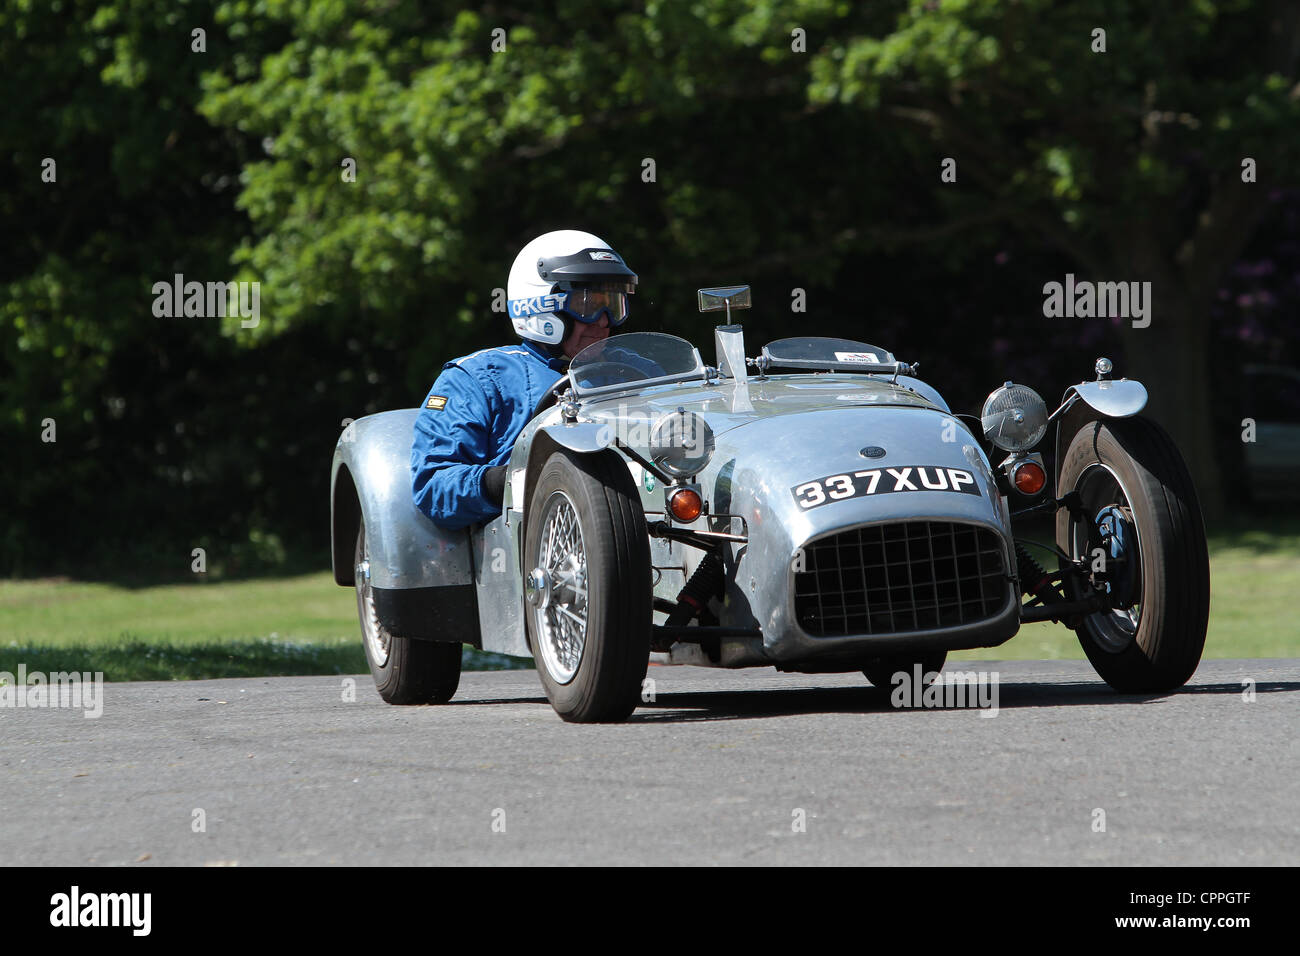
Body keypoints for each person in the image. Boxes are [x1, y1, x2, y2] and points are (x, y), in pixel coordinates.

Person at [411, 230, 637, 530]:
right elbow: (434, 487)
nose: (604, 320)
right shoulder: (476, 378)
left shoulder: (637, 368)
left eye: (613, 303)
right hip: (540, 546)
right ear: (539, 304)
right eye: (588, 305)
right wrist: (508, 479)